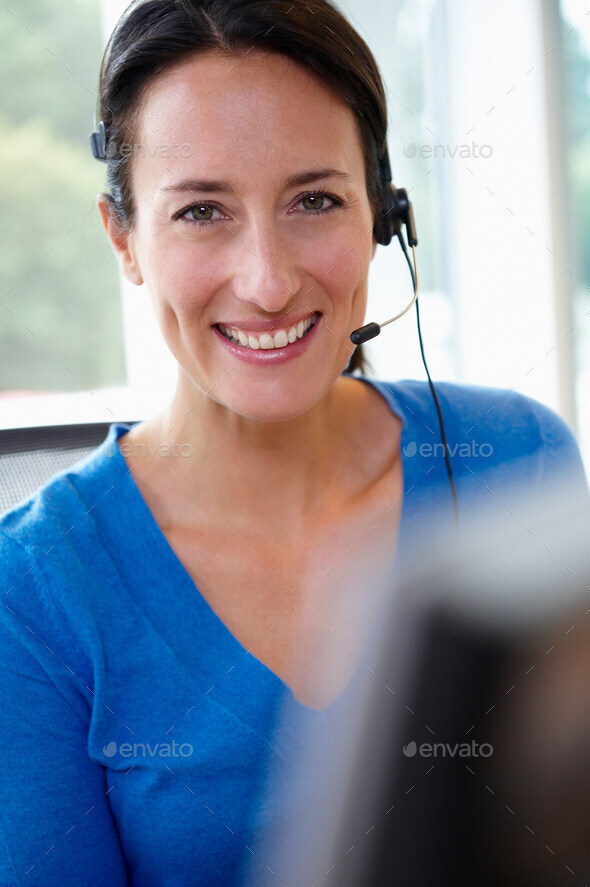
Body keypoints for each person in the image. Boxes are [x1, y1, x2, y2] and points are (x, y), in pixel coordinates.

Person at [0, 1, 587, 885]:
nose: (269, 282)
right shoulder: (34, 598)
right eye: (202, 212)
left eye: (315, 199)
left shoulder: (518, 458)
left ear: (384, 215)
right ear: (123, 237)